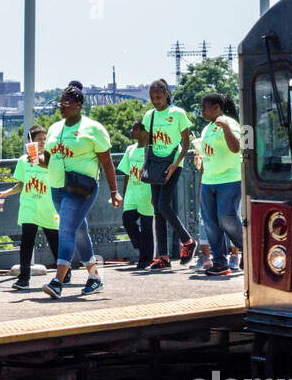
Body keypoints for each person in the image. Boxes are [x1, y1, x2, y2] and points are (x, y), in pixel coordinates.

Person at [37, 83, 121, 298]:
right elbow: (47, 159)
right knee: (79, 232)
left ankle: (58, 281)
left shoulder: (93, 128)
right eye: (60, 103)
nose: (61, 107)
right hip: (57, 188)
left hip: (81, 189)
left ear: (79, 104)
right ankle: (95, 278)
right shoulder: (55, 128)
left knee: (65, 230)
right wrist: (36, 159)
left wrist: (114, 191)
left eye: (66, 103)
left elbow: (107, 162)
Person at [0, 124, 61, 290]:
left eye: (45, 139)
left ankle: (63, 274)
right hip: (29, 206)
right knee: (26, 242)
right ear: (30, 141)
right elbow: (21, 185)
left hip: (48, 207)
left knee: (54, 241)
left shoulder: (51, 160)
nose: (43, 142)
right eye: (39, 139)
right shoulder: (23, 161)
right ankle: (24, 279)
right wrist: (6, 193)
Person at [142, 78, 196, 269]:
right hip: (155, 164)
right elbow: (147, 144)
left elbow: (186, 143)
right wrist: (144, 166)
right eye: (152, 98)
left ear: (166, 94)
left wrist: (175, 164)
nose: (155, 101)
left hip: (173, 162)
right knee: (157, 209)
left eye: (158, 97)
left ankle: (187, 241)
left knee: (163, 205)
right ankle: (163, 257)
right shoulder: (149, 115)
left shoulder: (178, 113)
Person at [197, 93, 244, 277]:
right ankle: (220, 263)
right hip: (209, 182)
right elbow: (205, 158)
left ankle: (249, 250)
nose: (202, 111)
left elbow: (236, 148)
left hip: (229, 180)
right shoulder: (207, 128)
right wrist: (202, 185)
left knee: (227, 220)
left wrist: (225, 127)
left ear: (216, 107)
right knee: (211, 224)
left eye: (205, 107)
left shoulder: (229, 123)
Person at [117, 121, 156, 270]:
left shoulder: (151, 150)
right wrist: (125, 193)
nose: (131, 131)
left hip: (146, 191)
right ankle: (143, 248)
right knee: (127, 220)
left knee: (146, 227)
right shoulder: (130, 149)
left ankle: (146, 259)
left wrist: (154, 193)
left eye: (134, 128)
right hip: (132, 192)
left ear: (143, 131)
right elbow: (127, 173)